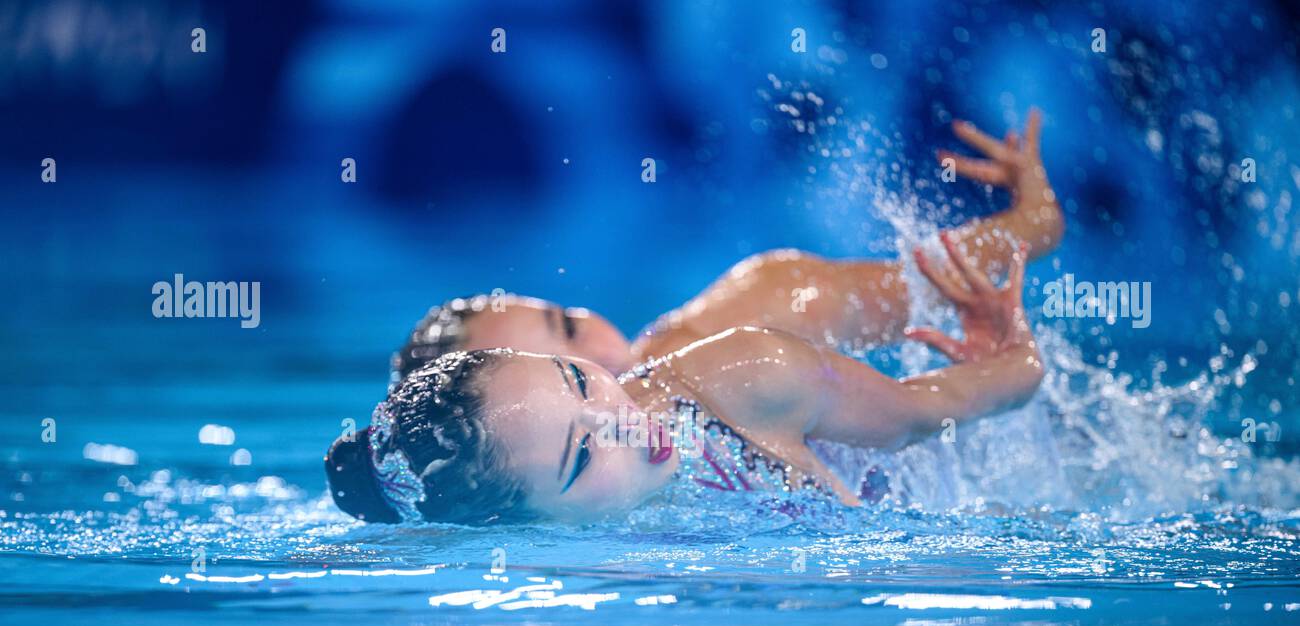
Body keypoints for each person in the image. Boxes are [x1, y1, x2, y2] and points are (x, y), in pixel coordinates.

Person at [326, 235, 1042, 524]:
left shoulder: (746, 375)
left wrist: (1010, 361)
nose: (622, 420)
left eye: (583, 381)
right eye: (582, 457)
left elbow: (925, 413)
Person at [391, 110, 1061, 380]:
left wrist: (1034, 214)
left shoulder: (767, 308)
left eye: (566, 324)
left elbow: (950, 275)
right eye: (560, 370)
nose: (593, 353)